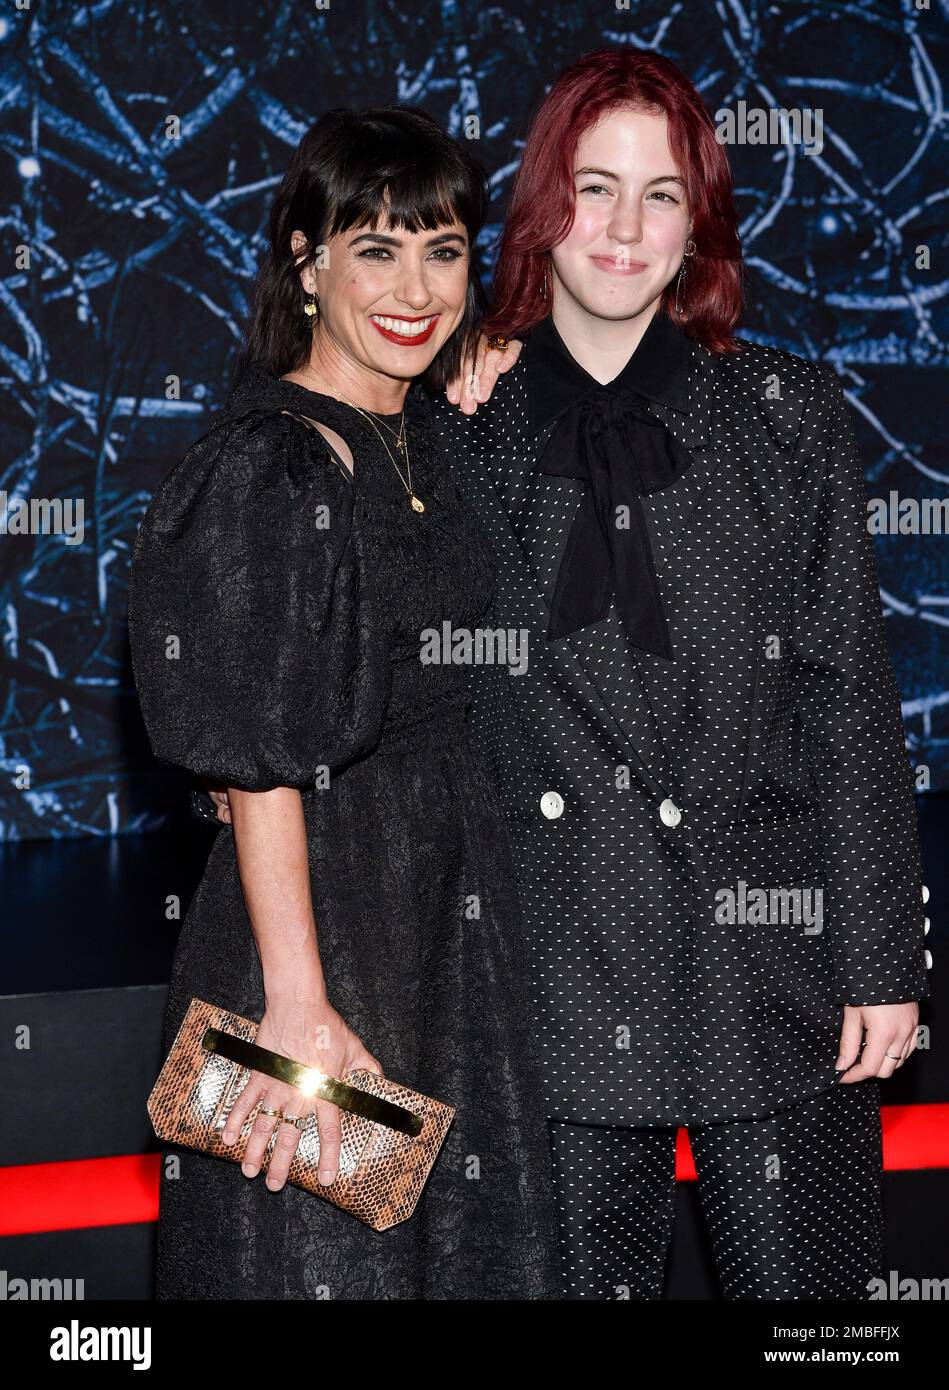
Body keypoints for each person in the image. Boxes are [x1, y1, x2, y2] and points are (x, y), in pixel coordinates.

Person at [428, 48, 932, 1299]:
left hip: (765, 964)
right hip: (551, 974)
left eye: (661, 196)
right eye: (593, 188)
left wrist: (880, 959)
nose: (623, 227)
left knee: (818, 1326)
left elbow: (848, 700)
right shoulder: (455, 422)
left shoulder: (787, 414)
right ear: (544, 209)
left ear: (696, 223)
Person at [127, 105, 561, 1300]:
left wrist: (500, 354)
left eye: (443, 249)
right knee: (319, 1258)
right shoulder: (273, 464)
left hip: (450, 932)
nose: (414, 287)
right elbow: (260, 762)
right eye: (376, 249)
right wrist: (297, 1006)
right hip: (323, 932)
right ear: (308, 263)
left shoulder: (421, 438)